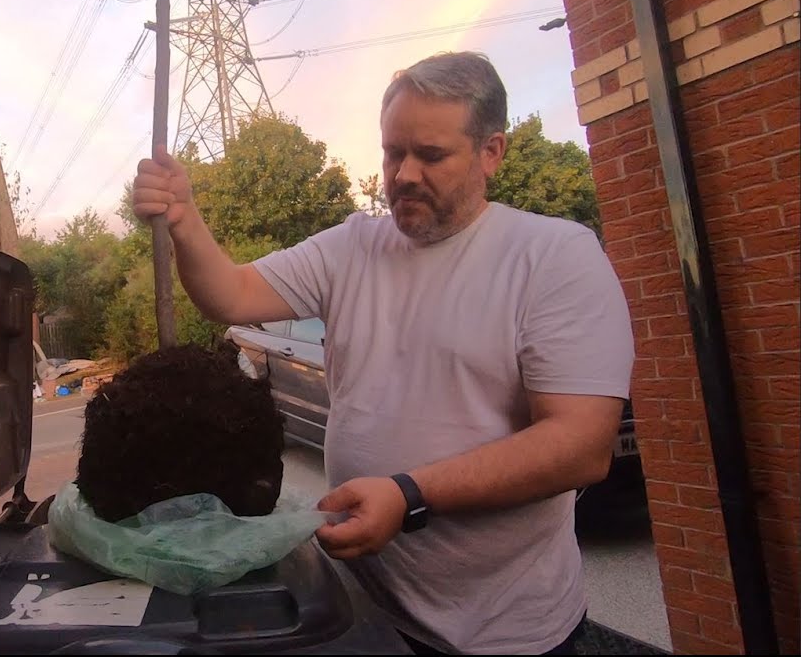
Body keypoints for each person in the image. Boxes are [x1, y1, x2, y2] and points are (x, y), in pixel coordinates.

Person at [130, 51, 634, 655]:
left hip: (509, 635)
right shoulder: (354, 247)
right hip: (367, 613)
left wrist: (408, 494)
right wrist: (186, 220)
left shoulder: (553, 258)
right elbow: (231, 294)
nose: (404, 175)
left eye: (431, 155)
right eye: (394, 152)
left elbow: (580, 446)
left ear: (491, 152)